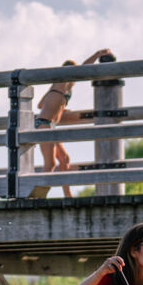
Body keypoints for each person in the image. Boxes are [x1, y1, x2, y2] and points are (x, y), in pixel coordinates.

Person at [36, 48, 112, 198]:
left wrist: (60, 107)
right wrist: (97, 55)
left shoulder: (66, 87)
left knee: (64, 159)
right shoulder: (59, 82)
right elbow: (83, 69)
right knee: (50, 164)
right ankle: (38, 196)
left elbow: (40, 105)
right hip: (44, 124)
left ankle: (67, 194)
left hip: (50, 126)